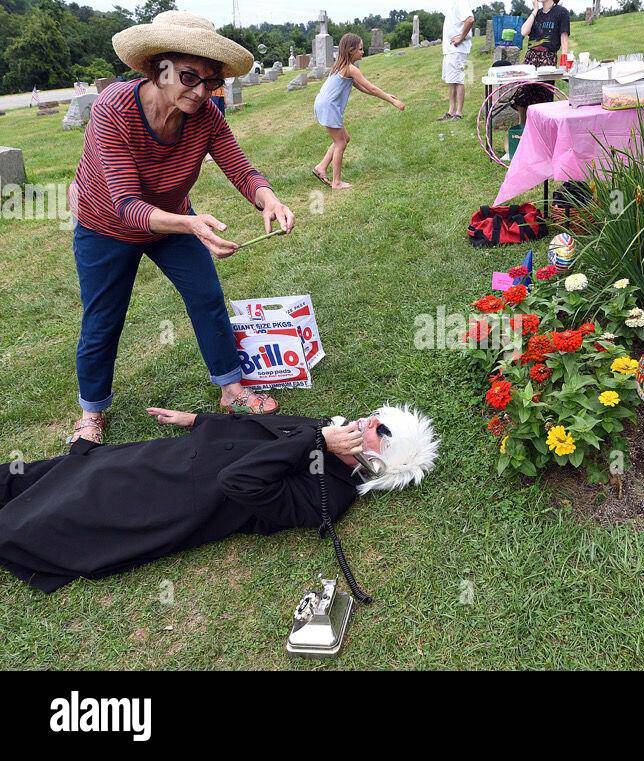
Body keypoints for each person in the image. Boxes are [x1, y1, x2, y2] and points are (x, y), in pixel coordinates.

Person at [68, 11, 296, 446]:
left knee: (207, 296)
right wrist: (191, 224)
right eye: (190, 77)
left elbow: (241, 168)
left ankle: (231, 388)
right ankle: (91, 412)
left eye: (211, 82)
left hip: (172, 219)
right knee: (103, 319)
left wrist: (269, 198)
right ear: (160, 68)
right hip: (105, 225)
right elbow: (127, 206)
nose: (201, 91)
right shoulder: (113, 108)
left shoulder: (205, 115)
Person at [0, 405, 439, 593]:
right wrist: (197, 420)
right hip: (167, 458)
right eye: (376, 417)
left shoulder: (329, 495)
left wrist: (316, 440)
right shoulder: (327, 431)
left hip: (174, 499)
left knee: (55, 513)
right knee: (59, 471)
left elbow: (240, 482)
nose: (366, 421)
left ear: (378, 464)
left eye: (379, 431)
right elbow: (259, 428)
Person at [313, 34, 405, 190]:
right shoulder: (350, 69)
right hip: (329, 107)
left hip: (324, 104)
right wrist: (393, 102)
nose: (363, 52)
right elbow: (371, 87)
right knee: (340, 143)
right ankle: (336, 182)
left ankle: (321, 167)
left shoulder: (340, 66)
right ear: (351, 50)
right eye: (360, 49)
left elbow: (363, 88)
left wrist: (386, 95)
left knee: (344, 138)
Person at [515, 0, 570, 126]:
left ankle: (542, 129)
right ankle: (523, 128)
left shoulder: (561, 12)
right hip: (530, 58)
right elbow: (523, 32)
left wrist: (564, 61)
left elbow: (564, 37)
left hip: (547, 58)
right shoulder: (536, 13)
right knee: (523, 96)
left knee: (543, 98)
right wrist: (534, 10)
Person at [437, 2, 474, 121]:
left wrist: (460, 38)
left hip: (458, 50)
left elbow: (470, 20)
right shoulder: (452, 4)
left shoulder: (461, 2)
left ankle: (458, 113)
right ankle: (451, 111)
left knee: (458, 80)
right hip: (450, 50)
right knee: (451, 80)